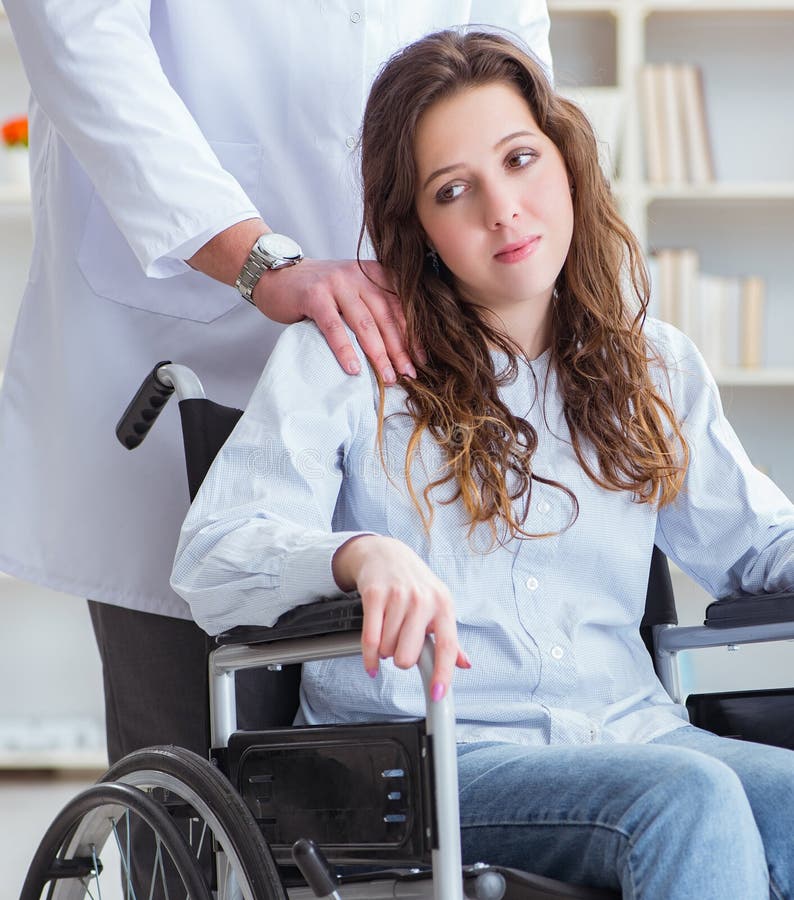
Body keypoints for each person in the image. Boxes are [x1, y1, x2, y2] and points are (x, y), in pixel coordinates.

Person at [171, 29, 794, 898]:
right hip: (433, 763)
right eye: (454, 189)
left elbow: (757, 547)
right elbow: (211, 556)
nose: (503, 208)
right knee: (688, 801)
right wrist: (357, 555)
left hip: (635, 734)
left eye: (521, 159)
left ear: (566, 161)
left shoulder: (655, 365)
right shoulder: (351, 360)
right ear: (418, 228)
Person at [0, 3, 553, 765]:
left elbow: (510, 55)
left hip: (418, 345)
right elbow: (77, 35)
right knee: (207, 781)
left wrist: (506, 242)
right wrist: (255, 258)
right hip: (190, 334)